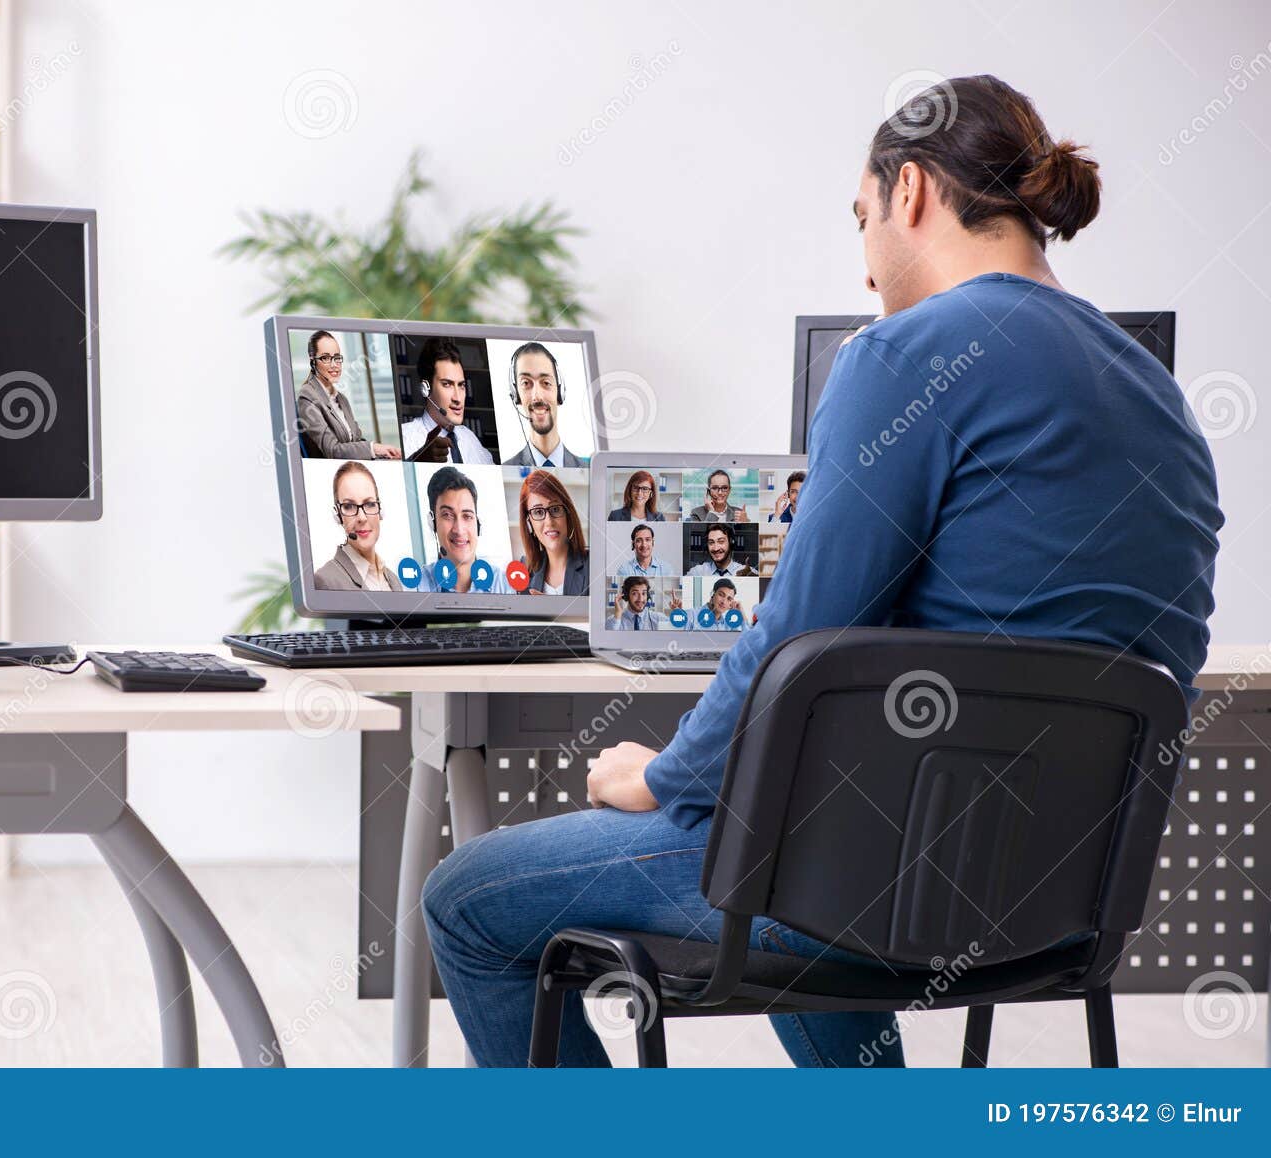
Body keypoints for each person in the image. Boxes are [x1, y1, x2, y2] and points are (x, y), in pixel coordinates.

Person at [423, 75, 1222, 1069]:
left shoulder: (901, 351)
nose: (863, 269)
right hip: (1068, 900)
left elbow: (798, 638)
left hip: (868, 892)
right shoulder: (1158, 394)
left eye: (861, 219)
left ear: (914, 191)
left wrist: (664, 778)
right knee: (819, 815)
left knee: (467, 898)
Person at [294, 330, 402, 460]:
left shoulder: (341, 399)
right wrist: (374, 448)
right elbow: (332, 451)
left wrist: (382, 454)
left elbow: (357, 440)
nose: (334, 365)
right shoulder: (307, 397)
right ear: (313, 361)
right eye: (325, 358)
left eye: (337, 357)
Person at [312, 462, 404, 592]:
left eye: (370, 504)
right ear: (338, 515)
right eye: (349, 506)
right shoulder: (325, 580)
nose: (362, 517)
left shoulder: (393, 581)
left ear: (380, 510)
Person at [400, 338, 494, 465]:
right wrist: (417, 462)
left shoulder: (470, 438)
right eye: (447, 384)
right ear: (425, 389)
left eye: (461, 385)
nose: (457, 398)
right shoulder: (405, 437)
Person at [421, 465, 512, 593]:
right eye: (447, 515)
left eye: (467, 516)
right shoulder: (416, 585)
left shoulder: (505, 586)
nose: (459, 529)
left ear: (478, 524)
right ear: (432, 523)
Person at [503, 342, 584, 468]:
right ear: (516, 394)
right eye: (526, 383)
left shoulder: (589, 470)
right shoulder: (505, 470)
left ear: (559, 391)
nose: (537, 396)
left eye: (546, 383)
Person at [517, 469, 587, 595]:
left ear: (567, 514)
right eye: (538, 512)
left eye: (555, 509)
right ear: (529, 523)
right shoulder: (524, 569)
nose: (549, 521)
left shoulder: (593, 564)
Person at [687, 523, 756, 577]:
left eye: (721, 541)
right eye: (711, 542)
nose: (716, 548)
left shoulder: (746, 572)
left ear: (731, 542)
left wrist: (753, 578)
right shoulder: (697, 572)